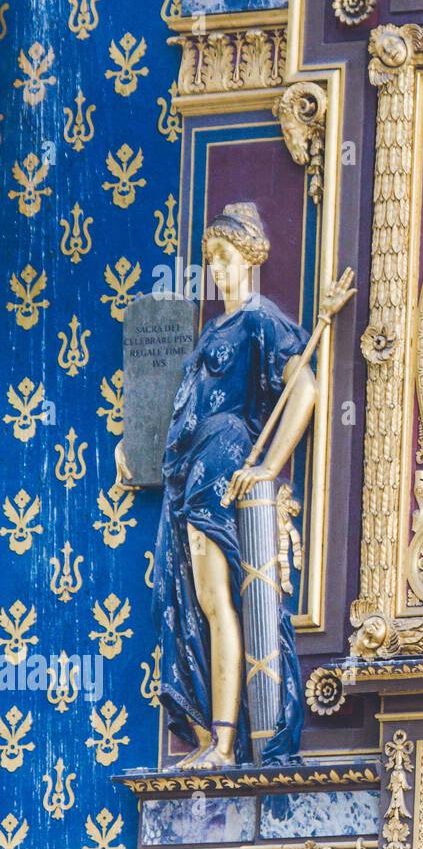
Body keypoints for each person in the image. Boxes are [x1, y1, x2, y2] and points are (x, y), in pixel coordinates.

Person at [117, 202, 328, 768]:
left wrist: (266, 466)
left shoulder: (262, 321)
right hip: (195, 472)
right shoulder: (213, 328)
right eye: (210, 259)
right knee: (205, 600)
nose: (216, 269)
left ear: (250, 259)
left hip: (223, 466)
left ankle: (224, 741)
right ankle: (219, 738)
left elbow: (303, 390)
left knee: (218, 602)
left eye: (225, 257)